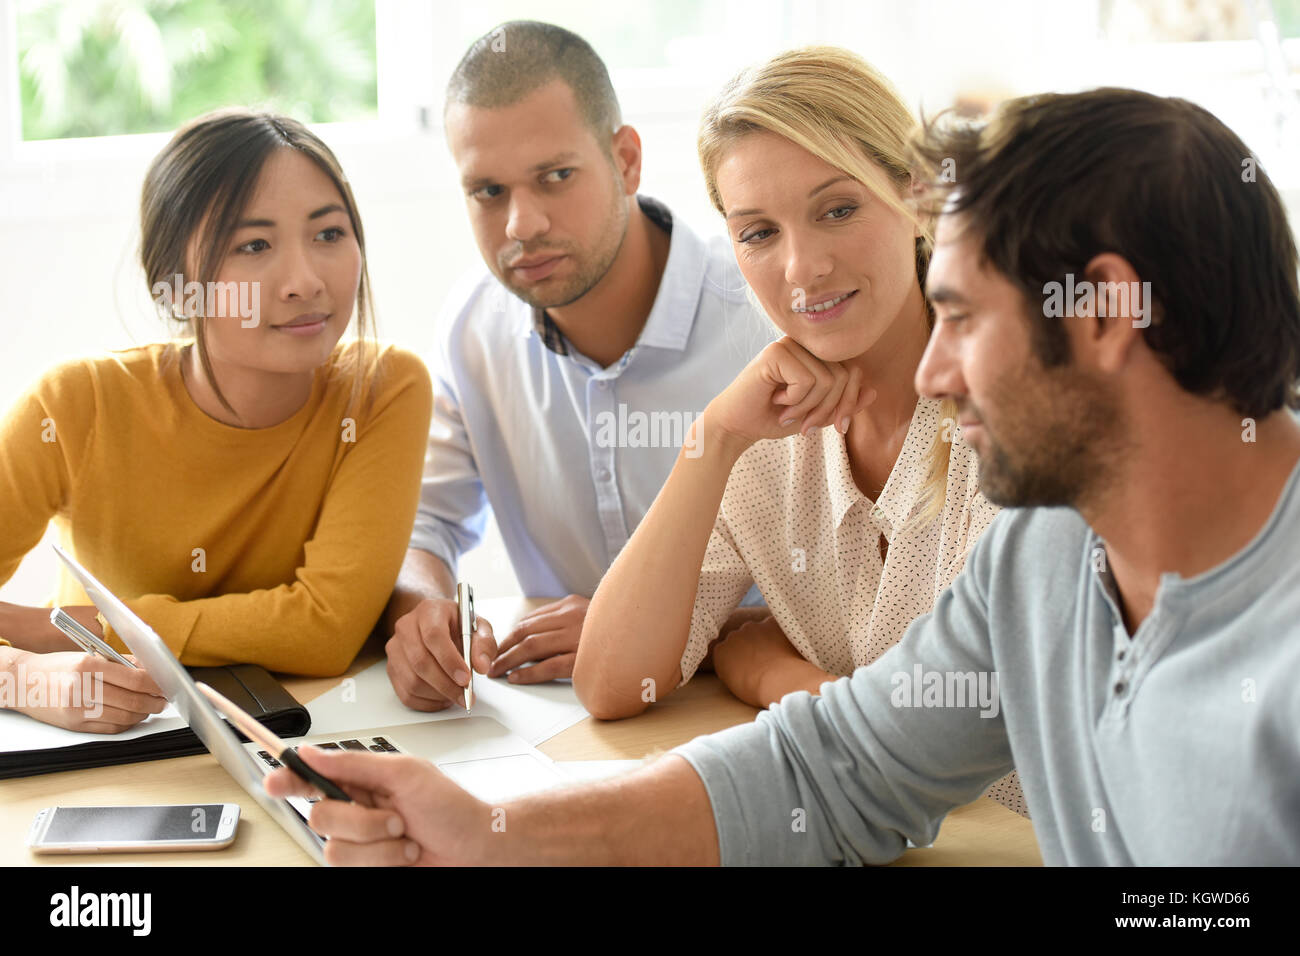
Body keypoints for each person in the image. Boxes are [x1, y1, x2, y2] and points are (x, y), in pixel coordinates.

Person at [266, 85, 1300, 865]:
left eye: (965, 318)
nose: (936, 369)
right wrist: (487, 827)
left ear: (1104, 313)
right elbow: (830, 766)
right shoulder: (1047, 549)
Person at [573, 47, 1024, 816]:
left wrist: (770, 671)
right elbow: (613, 683)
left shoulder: (1010, 421)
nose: (802, 268)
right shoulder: (765, 438)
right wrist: (713, 439)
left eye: (837, 210)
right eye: (758, 233)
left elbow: (940, 747)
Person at [0, 108, 432, 733]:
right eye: (253, 245)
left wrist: (50, 630)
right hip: (110, 743)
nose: (305, 281)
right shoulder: (73, 405)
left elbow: (325, 630)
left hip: (305, 744)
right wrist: (21, 677)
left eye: (329, 234)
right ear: (176, 289)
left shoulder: (383, 392)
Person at [383, 21, 768, 712]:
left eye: (555, 177)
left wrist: (650, 634)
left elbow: (864, 596)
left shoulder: (760, 317)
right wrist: (424, 612)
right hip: (563, 724)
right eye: (487, 192)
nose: (520, 225)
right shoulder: (474, 328)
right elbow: (422, 526)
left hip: (748, 710)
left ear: (625, 160)